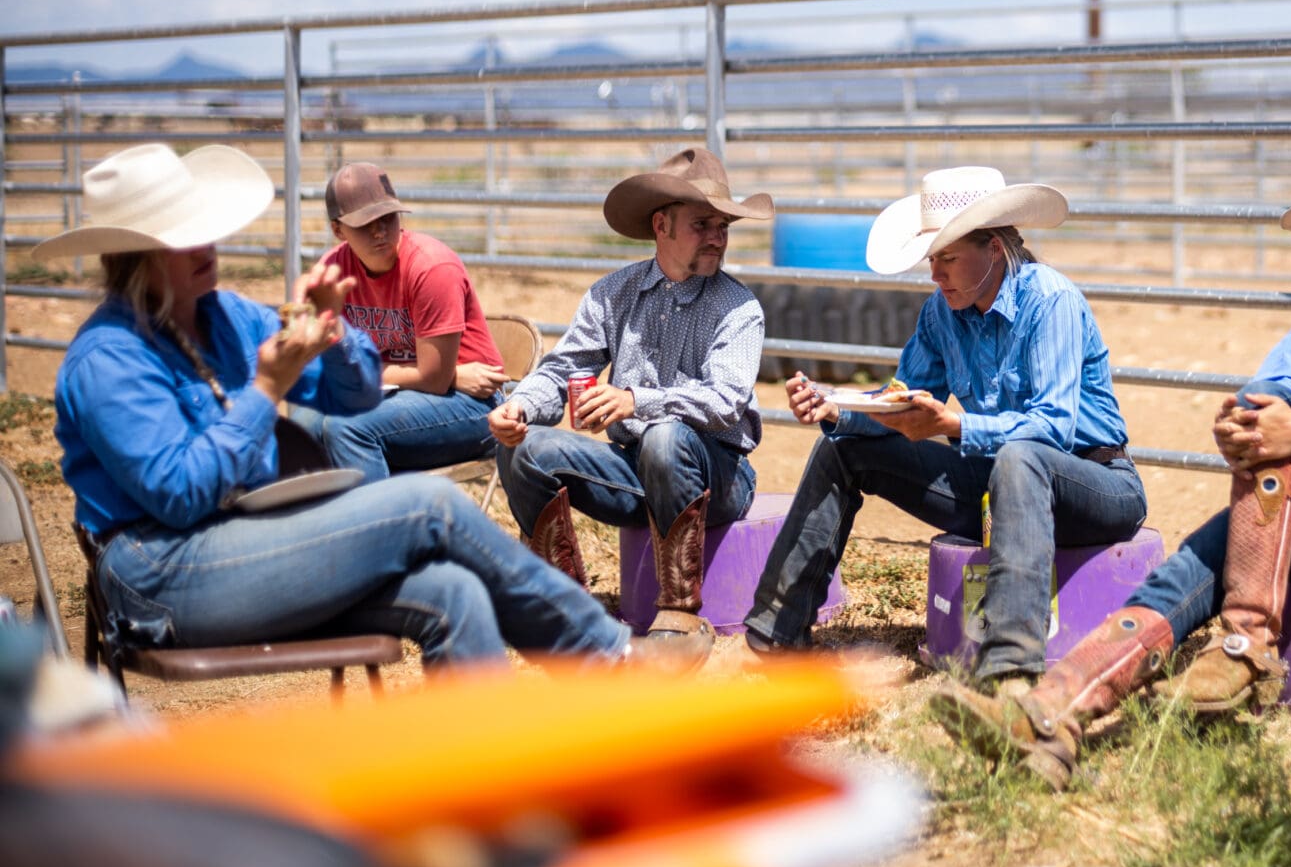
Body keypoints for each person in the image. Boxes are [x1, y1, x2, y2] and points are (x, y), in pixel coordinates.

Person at [932, 181, 1291, 789]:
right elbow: (1263, 396)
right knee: (1198, 555)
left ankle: (1244, 647)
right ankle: (1051, 714)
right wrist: (1245, 421)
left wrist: (1278, 426)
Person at [40, 143, 633, 668]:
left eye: (205, 227)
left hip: (238, 537)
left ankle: (479, 781)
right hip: (158, 570)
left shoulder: (223, 317)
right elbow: (180, 495)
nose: (207, 245)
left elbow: (353, 394)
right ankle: (609, 658)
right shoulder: (108, 359)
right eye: (183, 236)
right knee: (428, 502)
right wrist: (266, 390)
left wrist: (331, 330)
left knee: (454, 592)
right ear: (135, 256)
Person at [745, 166, 1148, 690]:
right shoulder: (942, 312)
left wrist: (955, 426)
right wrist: (838, 408)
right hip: (995, 487)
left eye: (949, 258)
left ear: (995, 249)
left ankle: (1011, 667)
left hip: (1095, 486)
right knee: (844, 450)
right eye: (931, 258)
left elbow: (1051, 429)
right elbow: (903, 398)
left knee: (1021, 457)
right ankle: (778, 629)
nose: (935, 273)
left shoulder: (1051, 300)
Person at [491, 147, 772, 671]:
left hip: (721, 475)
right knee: (524, 448)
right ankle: (566, 618)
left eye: (723, 225)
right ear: (661, 225)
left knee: (666, 438)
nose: (717, 236)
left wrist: (635, 400)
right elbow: (560, 370)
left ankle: (679, 617)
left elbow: (726, 401)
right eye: (702, 224)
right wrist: (522, 406)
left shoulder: (738, 307)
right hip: (639, 469)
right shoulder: (611, 294)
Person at [285, 161, 508, 482]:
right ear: (338, 230)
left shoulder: (431, 267)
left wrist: (442, 376)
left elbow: (432, 379)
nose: (379, 231)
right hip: (406, 390)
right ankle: (320, 525)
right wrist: (452, 375)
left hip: (472, 404)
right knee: (302, 426)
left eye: (387, 217)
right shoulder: (334, 271)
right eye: (365, 224)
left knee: (347, 428)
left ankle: (385, 525)